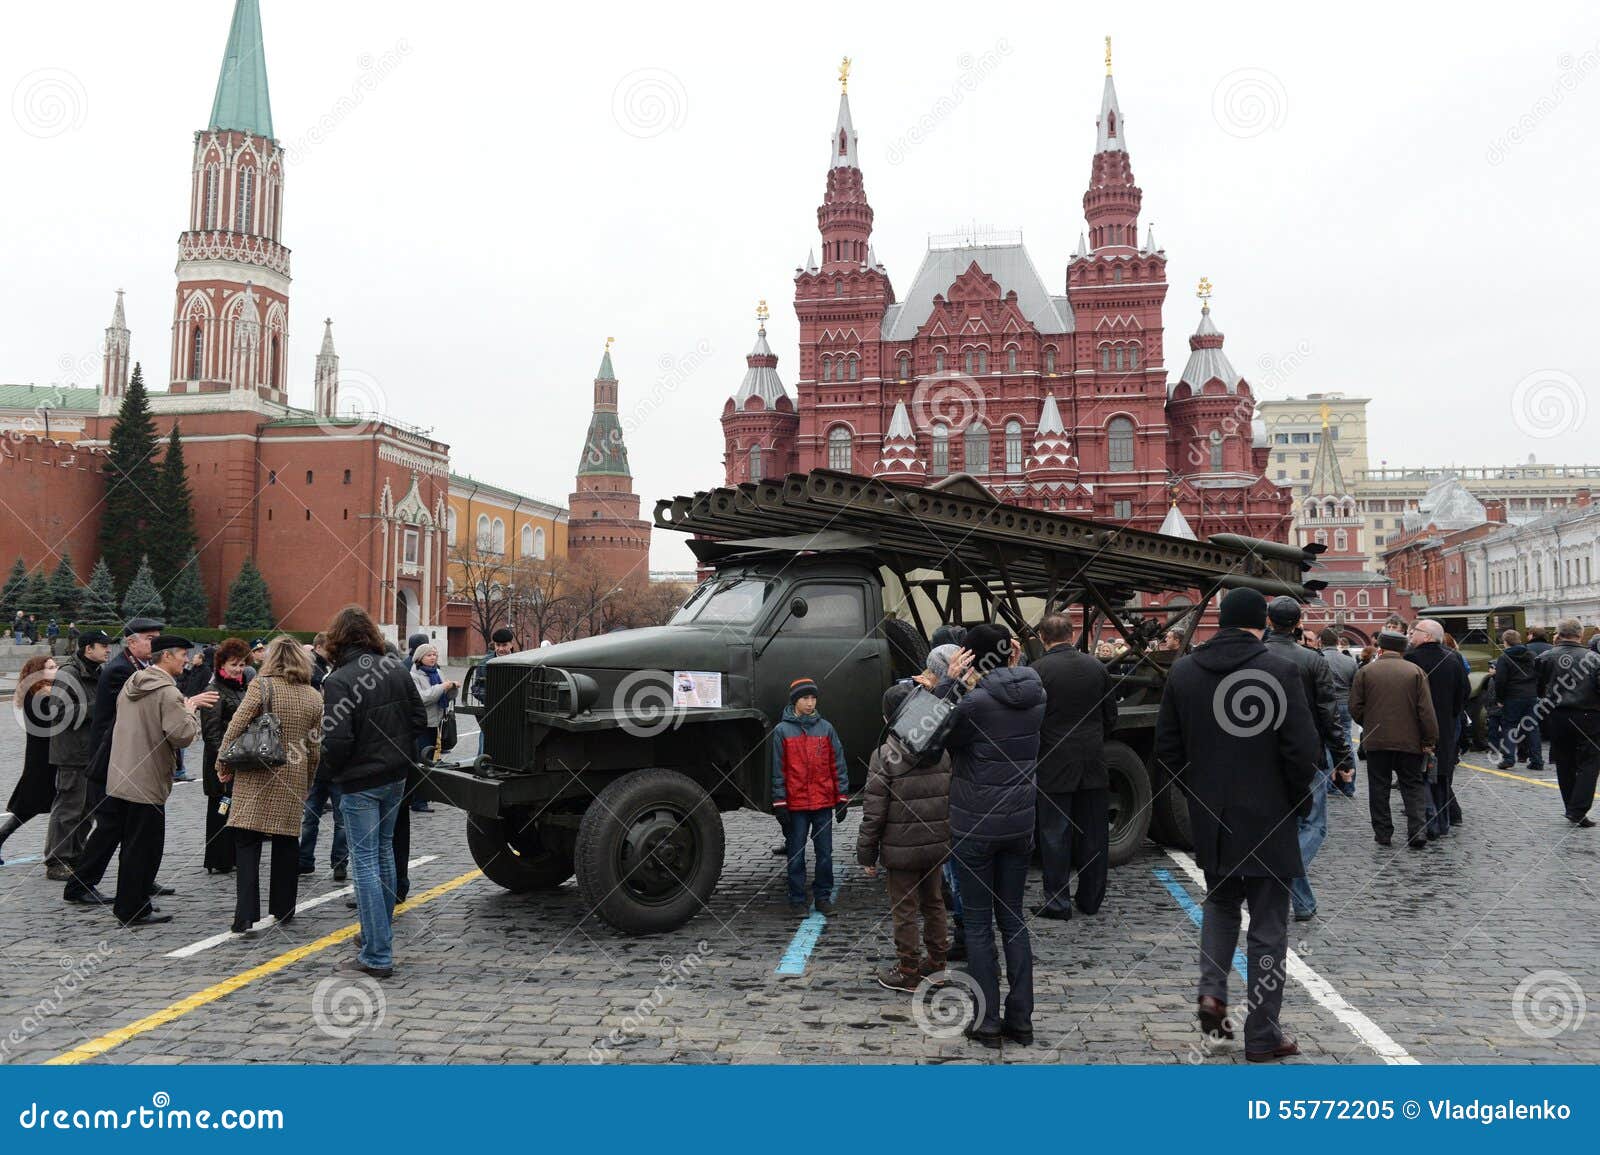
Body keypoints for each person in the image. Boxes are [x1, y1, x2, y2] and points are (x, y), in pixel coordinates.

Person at [1152, 588, 1319, 1062]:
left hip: (1214, 818)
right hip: (1269, 815)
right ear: (1261, 622)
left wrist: (1202, 796)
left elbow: (1167, 750)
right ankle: (1262, 1033)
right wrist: (1294, 799)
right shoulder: (1280, 670)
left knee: (1221, 906)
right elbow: (1301, 750)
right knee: (1268, 927)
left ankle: (1212, 997)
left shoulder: (1183, 671)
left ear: (1221, 621)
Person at [936, 623, 1045, 1048]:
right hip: (1019, 824)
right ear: (1012, 654)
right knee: (1013, 919)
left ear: (971, 660)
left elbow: (920, 738)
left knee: (979, 924)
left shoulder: (975, 704)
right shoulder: (1037, 695)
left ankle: (986, 1021)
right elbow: (1018, 678)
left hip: (975, 826)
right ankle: (1022, 1020)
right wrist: (1012, 660)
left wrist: (949, 682)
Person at [320, 605, 425, 978]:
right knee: (382, 854)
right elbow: (418, 718)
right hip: (394, 776)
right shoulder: (395, 668)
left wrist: (334, 772)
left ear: (338, 639)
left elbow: (336, 740)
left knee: (365, 863)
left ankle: (377, 952)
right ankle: (374, 936)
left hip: (362, 781)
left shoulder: (338, 680)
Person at [217, 637, 324, 935]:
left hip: (255, 772)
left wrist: (222, 764)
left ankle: (245, 914)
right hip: (293, 774)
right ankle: (284, 907)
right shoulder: (314, 696)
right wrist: (308, 780)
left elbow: (236, 726)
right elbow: (315, 747)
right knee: (287, 841)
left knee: (247, 840)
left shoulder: (262, 686)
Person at [63, 617, 172, 906]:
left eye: (157, 637)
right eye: (149, 637)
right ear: (131, 641)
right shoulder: (120, 671)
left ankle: (140, 880)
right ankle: (79, 885)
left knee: (131, 826)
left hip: (129, 761)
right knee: (111, 826)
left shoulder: (142, 668)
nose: (154, 642)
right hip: (113, 761)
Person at [106, 635, 210, 926]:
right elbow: (181, 735)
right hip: (148, 779)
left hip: (122, 774)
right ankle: (134, 909)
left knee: (130, 845)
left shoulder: (133, 681)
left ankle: (128, 904)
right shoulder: (169, 693)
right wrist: (191, 710)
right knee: (145, 848)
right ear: (166, 657)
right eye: (182, 655)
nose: (187, 660)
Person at [856, 683, 951, 992]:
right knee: (934, 903)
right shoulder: (941, 750)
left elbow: (874, 812)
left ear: (890, 718)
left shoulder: (885, 755)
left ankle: (909, 970)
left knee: (905, 909)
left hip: (902, 848)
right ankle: (937, 963)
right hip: (936, 843)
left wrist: (866, 853)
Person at [1264, 598, 1353, 923]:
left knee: (1282, 825)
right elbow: (1329, 715)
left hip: (1264, 756)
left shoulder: (1256, 657)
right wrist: (1343, 757)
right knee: (1313, 824)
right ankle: (1283, 875)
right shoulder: (1312, 661)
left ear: (1269, 621)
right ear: (1298, 622)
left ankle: (1303, 903)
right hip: (1307, 755)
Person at [1030, 612, 1116, 921]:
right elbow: (1111, 717)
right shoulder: (1096, 667)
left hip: (1054, 762)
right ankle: (1091, 899)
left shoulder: (1038, 670)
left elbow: (1032, 720)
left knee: (1055, 834)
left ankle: (1057, 902)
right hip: (1092, 760)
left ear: (1043, 637)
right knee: (1094, 833)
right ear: (1072, 633)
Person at [1348, 630, 1438, 848]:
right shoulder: (1415, 672)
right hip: (1410, 742)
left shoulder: (1366, 672)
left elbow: (1355, 707)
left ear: (1380, 648)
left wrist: (1370, 722)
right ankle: (1417, 832)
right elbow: (1425, 711)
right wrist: (1429, 740)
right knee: (1412, 786)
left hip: (1377, 740)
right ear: (1403, 649)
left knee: (1379, 786)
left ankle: (1383, 833)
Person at [772, 677, 849, 915]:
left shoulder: (826, 729)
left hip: (822, 802)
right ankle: (797, 899)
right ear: (795, 701)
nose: (810, 702)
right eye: (805, 698)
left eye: (813, 698)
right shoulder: (782, 731)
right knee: (796, 855)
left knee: (824, 854)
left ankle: (823, 896)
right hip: (796, 805)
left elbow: (837, 763)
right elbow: (778, 769)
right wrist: (780, 802)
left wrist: (842, 796)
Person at [44, 629, 111, 880]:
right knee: (69, 809)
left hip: (92, 752)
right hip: (72, 753)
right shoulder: (68, 673)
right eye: (102, 645)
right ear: (87, 649)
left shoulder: (99, 672)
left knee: (87, 810)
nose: (107, 650)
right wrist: (99, 708)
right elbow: (58, 712)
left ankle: (75, 854)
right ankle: (57, 860)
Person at [1533, 618, 1600, 827]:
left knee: (1564, 762)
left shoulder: (1545, 657)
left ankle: (1572, 808)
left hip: (1557, 716)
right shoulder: (1594, 658)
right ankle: (1577, 808)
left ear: (1559, 634)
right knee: (1590, 762)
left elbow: (1538, 686)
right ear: (1580, 635)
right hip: (1588, 715)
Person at [1405, 620, 1469, 838]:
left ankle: (1427, 822)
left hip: (1416, 726)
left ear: (1428, 636)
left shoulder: (1411, 659)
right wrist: (1452, 714)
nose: (1411, 635)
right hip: (1446, 725)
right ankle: (1443, 822)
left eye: (1415, 632)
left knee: (1417, 775)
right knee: (1442, 776)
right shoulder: (1454, 658)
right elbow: (1464, 692)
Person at [0, 655, 61, 863]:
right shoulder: (39, 695)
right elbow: (52, 726)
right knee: (30, 805)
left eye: (56, 665)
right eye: (51, 667)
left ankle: (61, 849)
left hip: (48, 755)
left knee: (57, 804)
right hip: (44, 758)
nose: (56, 669)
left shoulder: (43, 692)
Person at [198, 639, 252, 875]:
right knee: (220, 807)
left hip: (239, 759)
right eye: (234, 664)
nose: (239, 669)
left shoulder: (240, 688)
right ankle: (219, 857)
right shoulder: (214, 691)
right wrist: (224, 762)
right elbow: (212, 734)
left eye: (241, 664)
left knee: (233, 807)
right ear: (222, 664)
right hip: (220, 761)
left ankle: (231, 855)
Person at [408, 643, 457, 813]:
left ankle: (425, 795)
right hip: (422, 724)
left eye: (435, 654)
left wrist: (452, 689)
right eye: (429, 655)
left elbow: (445, 697)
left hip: (437, 723)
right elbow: (423, 698)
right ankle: (418, 801)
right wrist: (442, 687)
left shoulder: (438, 673)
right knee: (422, 761)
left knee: (431, 760)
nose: (433, 657)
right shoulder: (413, 676)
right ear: (420, 658)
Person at [1494, 630, 1544, 771]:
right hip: (1530, 695)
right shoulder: (1531, 655)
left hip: (1512, 696)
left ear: (1505, 642)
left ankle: (1509, 758)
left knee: (1509, 726)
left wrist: (1500, 698)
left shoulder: (1504, 658)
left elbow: (1500, 681)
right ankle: (1537, 760)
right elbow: (1538, 675)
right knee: (1532, 727)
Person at [1320, 628, 1360, 798]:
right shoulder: (1349, 661)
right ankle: (1349, 785)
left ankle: (1330, 785)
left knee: (1327, 744)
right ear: (1337, 642)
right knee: (1346, 742)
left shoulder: (1318, 659)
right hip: (1345, 704)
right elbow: (1355, 686)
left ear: (1321, 641)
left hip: (1325, 705)